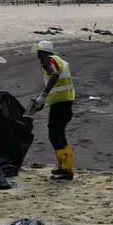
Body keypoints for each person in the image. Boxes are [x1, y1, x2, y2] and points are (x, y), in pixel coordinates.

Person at [29, 40, 76, 180]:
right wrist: (42, 103)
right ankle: (62, 166)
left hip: (60, 103)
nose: (37, 54)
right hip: (65, 100)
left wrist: (44, 94)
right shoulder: (60, 60)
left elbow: (54, 75)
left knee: (56, 135)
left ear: (42, 52)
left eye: (38, 52)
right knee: (57, 133)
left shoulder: (49, 61)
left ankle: (66, 170)